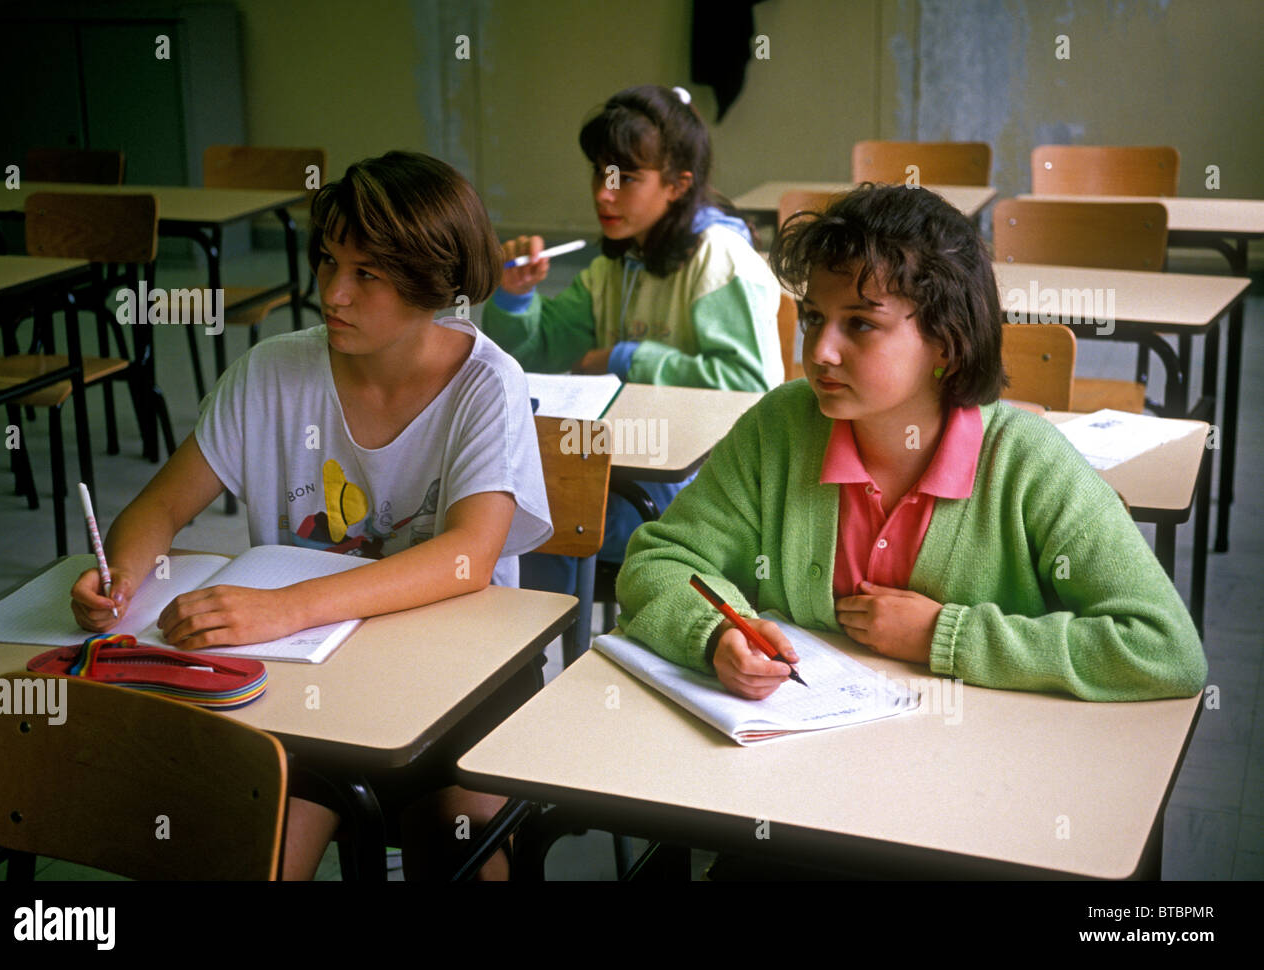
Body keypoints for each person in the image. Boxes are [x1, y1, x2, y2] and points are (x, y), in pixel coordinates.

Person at [70, 150, 553, 879]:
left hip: (459, 691)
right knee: (256, 854)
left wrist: (286, 608)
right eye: (327, 261)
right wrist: (121, 577)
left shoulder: (488, 386)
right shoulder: (272, 371)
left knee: (461, 852)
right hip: (299, 697)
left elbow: (469, 554)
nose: (332, 292)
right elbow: (161, 504)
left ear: (432, 282)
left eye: (367, 275)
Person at [616, 183, 1207, 703]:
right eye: (814, 317)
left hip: (973, 782)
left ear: (945, 344)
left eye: (861, 324)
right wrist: (718, 635)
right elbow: (660, 562)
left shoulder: (1027, 462)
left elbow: (1165, 649)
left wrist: (941, 635)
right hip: (804, 764)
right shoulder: (780, 428)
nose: (820, 351)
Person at [483, 84, 785, 591]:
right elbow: (528, 356)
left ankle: (534, 648)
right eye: (600, 173)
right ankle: (531, 650)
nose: (604, 192)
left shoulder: (720, 260)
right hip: (619, 467)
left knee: (541, 512)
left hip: (703, 488)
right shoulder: (614, 265)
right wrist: (515, 298)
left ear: (677, 184)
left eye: (626, 178)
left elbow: (749, 386)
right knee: (526, 501)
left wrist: (625, 358)